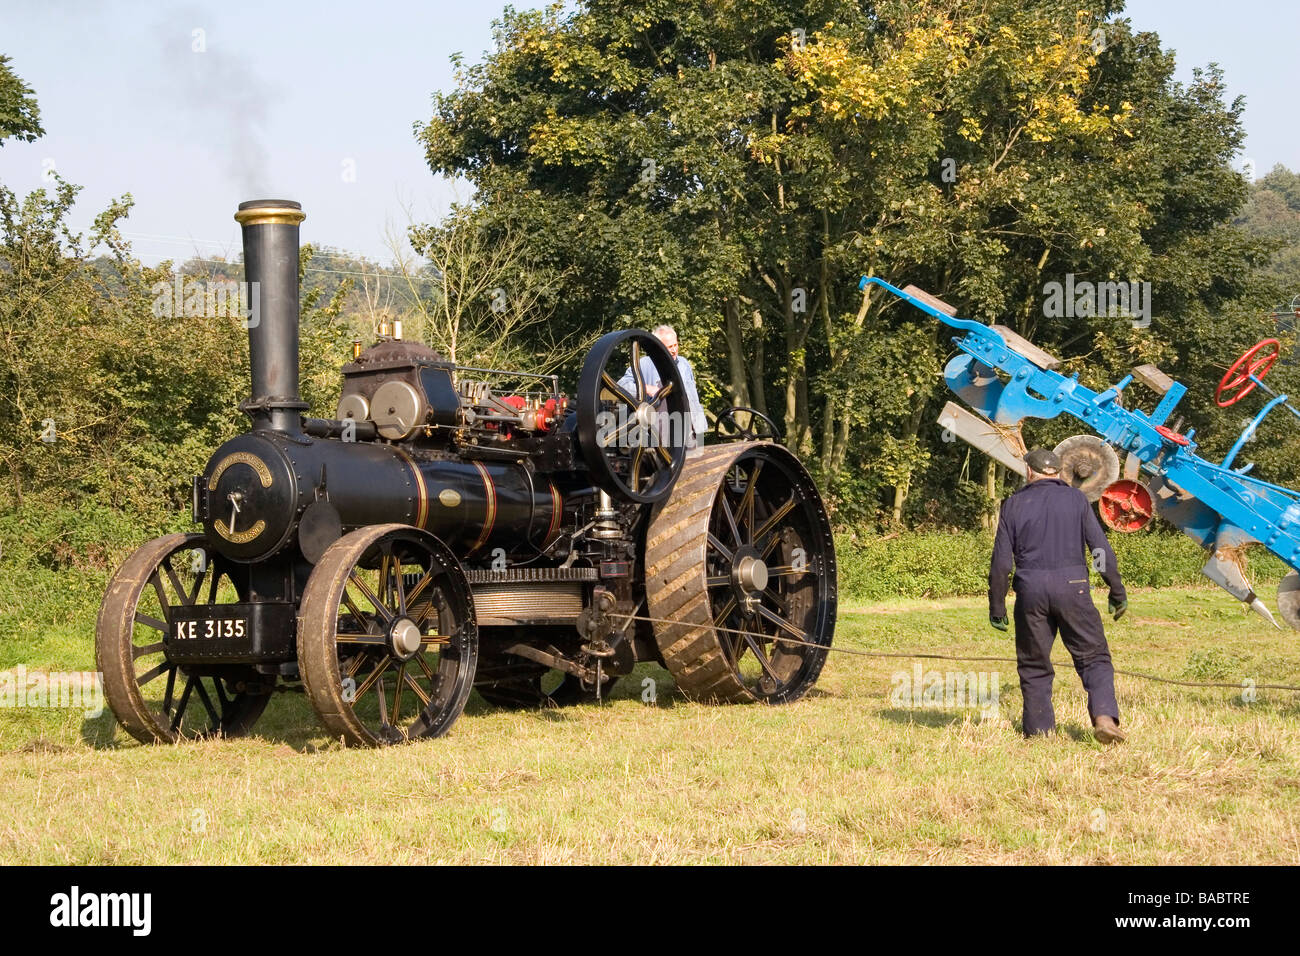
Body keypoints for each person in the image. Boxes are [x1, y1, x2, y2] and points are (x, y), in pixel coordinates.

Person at [988, 447, 1129, 744]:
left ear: (1029, 471)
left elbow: (1001, 562)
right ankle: (1104, 717)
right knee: (1093, 656)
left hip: (1030, 590)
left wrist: (997, 606)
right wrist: (1115, 589)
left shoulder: (1013, 505)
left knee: (1034, 662)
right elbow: (1099, 549)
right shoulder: (1077, 500)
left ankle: (1040, 732)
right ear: (1058, 472)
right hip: (1073, 586)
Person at [617, 324, 709, 449]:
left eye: (675, 345)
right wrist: (647, 389)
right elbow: (622, 385)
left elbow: (693, 397)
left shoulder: (684, 363)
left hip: (690, 431)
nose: (674, 350)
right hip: (660, 434)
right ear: (658, 347)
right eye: (669, 347)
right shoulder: (644, 364)